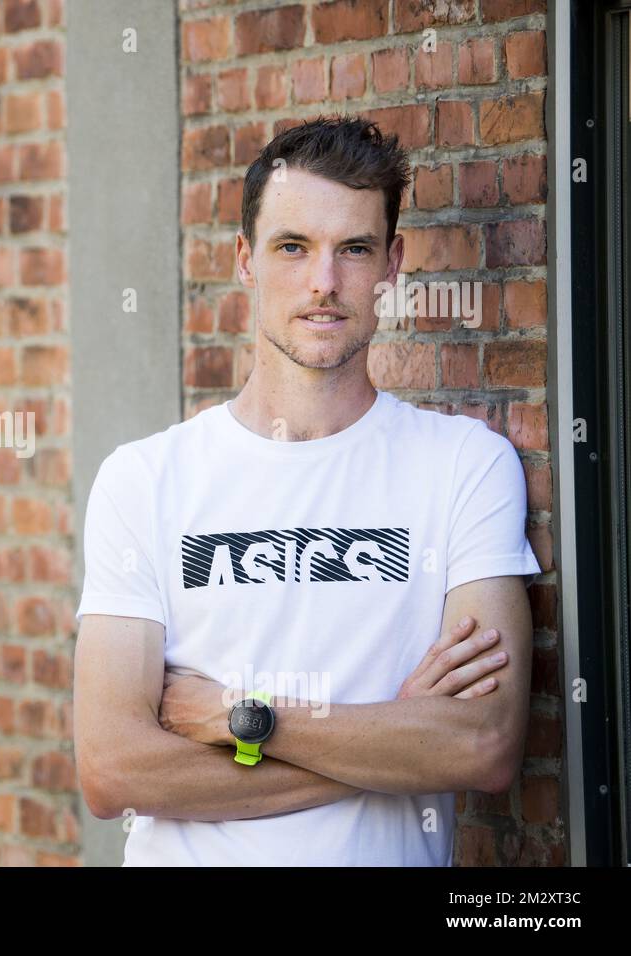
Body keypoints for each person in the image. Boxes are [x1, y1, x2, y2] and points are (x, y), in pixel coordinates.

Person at [73, 116, 542, 866]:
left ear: (391, 264)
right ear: (245, 261)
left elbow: (481, 744)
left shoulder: (463, 468)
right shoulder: (146, 480)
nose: (324, 283)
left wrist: (243, 719)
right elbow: (113, 769)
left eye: (353, 249)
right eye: (293, 247)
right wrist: (392, 736)